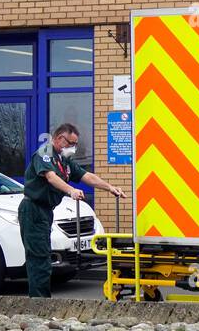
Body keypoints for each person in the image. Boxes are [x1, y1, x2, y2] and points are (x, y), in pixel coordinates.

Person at [20, 123, 124, 298]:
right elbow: (50, 177)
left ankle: (42, 301)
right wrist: (71, 190)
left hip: (45, 211)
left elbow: (86, 176)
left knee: (44, 258)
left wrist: (109, 187)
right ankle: (38, 304)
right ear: (60, 138)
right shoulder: (45, 153)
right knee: (39, 260)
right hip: (33, 210)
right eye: (71, 143)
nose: (73, 148)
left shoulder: (64, 161)